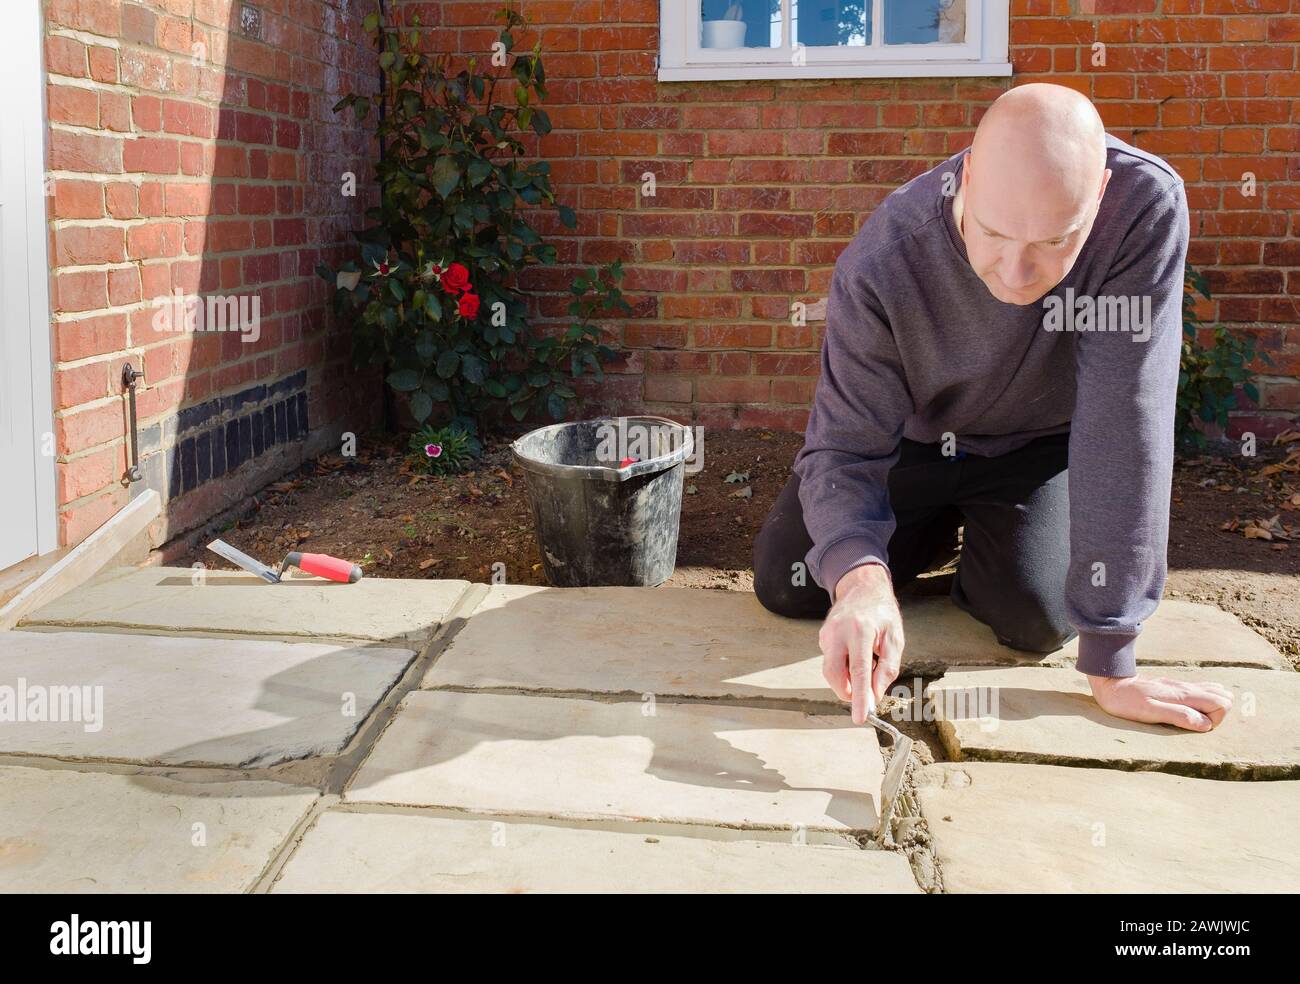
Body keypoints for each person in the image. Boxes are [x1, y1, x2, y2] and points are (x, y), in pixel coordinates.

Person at [753, 83, 1232, 732]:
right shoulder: (887, 258)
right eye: (995, 233)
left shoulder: (1140, 208)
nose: (1014, 271)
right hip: (914, 445)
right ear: (968, 178)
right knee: (794, 580)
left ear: (1097, 200)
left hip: (1037, 448)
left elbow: (1125, 419)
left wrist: (1112, 661)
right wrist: (862, 581)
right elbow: (844, 446)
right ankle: (914, 553)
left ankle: (988, 552)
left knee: (1038, 617)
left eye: (1053, 243)